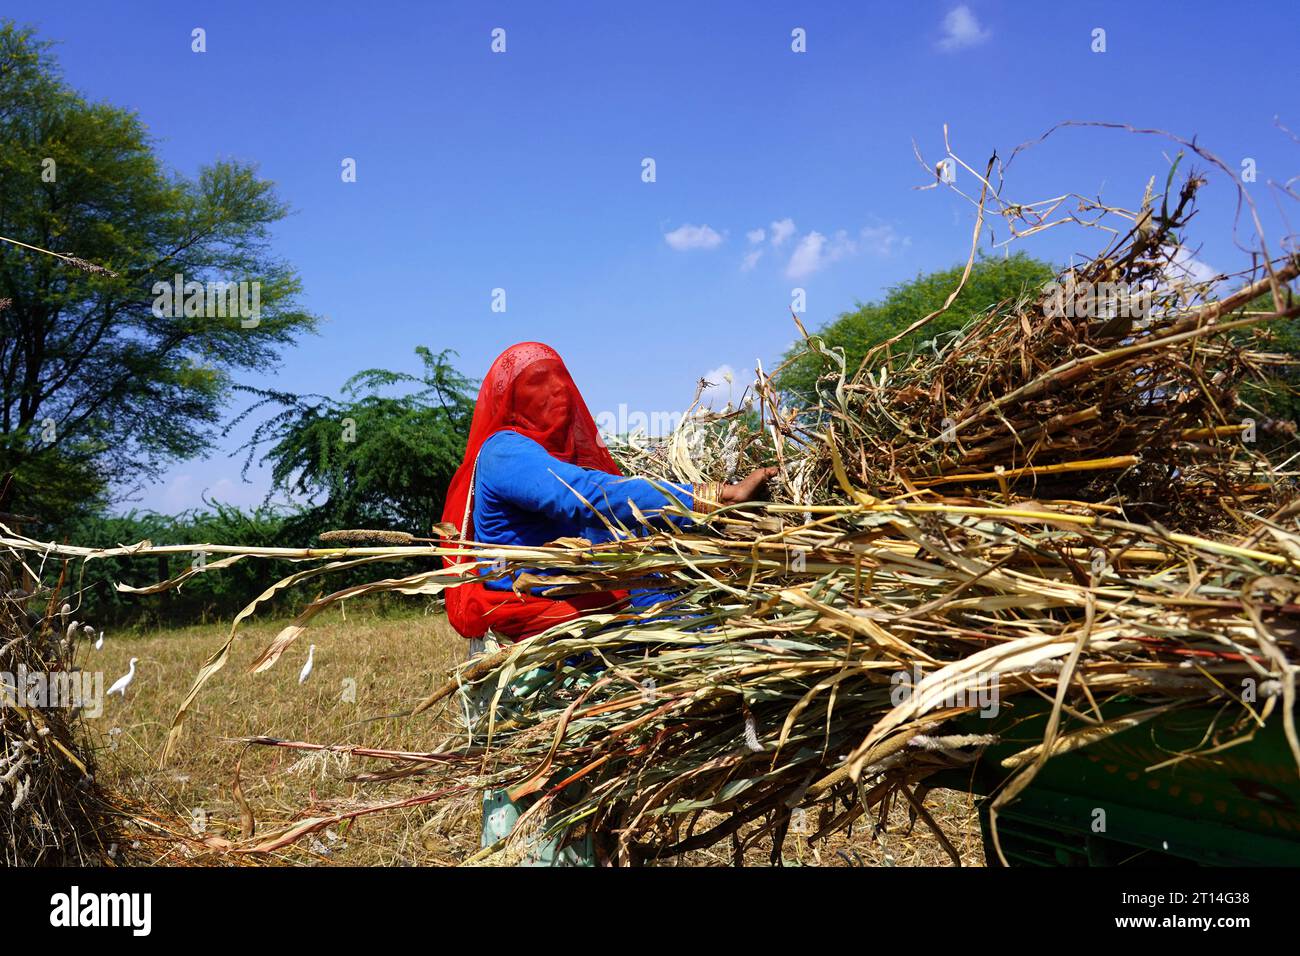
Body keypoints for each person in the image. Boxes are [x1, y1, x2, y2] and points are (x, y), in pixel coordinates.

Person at [440, 341, 776, 864]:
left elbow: (607, 520)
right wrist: (709, 498)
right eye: (536, 383)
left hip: (582, 652)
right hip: (543, 666)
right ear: (508, 399)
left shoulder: (548, 455)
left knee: (589, 815)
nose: (554, 393)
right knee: (543, 821)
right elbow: (586, 495)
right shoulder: (506, 451)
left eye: (559, 380)